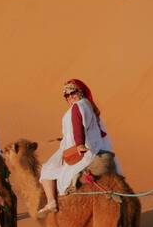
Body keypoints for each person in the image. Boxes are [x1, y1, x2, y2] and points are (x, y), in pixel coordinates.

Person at [37, 78, 117, 214]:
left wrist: (79, 144)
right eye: (66, 95)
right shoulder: (88, 106)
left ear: (80, 92)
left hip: (80, 149)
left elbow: (78, 125)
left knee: (47, 169)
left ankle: (52, 201)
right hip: (90, 147)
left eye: (72, 93)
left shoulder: (78, 106)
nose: (69, 97)